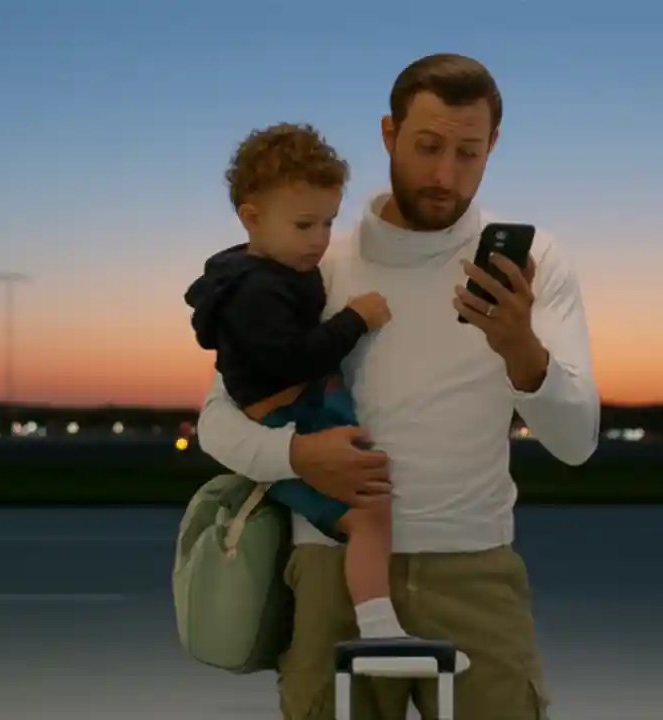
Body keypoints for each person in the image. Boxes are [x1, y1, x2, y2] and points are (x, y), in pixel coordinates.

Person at [195, 52, 600, 719]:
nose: (445, 175)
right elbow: (217, 420)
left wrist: (520, 348)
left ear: (494, 145)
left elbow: (577, 442)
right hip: (332, 570)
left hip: (474, 572)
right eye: (428, 147)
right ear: (389, 134)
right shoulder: (316, 258)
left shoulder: (536, 263)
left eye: (469, 153)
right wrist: (296, 456)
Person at [182, 122, 465, 667]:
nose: (319, 239)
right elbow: (294, 358)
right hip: (292, 414)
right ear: (252, 218)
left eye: (329, 222)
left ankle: (380, 629)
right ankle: (378, 629)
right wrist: (354, 320)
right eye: (305, 224)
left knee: (370, 509)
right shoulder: (255, 290)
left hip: (299, 407)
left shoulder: (273, 271)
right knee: (369, 513)